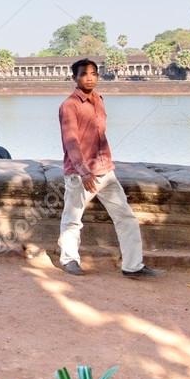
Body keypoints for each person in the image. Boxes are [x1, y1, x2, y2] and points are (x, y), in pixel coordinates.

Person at [58, 59, 160, 278]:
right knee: (73, 218)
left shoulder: (98, 100)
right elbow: (71, 141)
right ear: (74, 78)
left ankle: (133, 266)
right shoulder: (70, 105)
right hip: (81, 174)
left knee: (126, 217)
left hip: (105, 169)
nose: (90, 77)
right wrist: (83, 170)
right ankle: (69, 260)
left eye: (94, 73)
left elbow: (100, 136)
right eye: (84, 74)